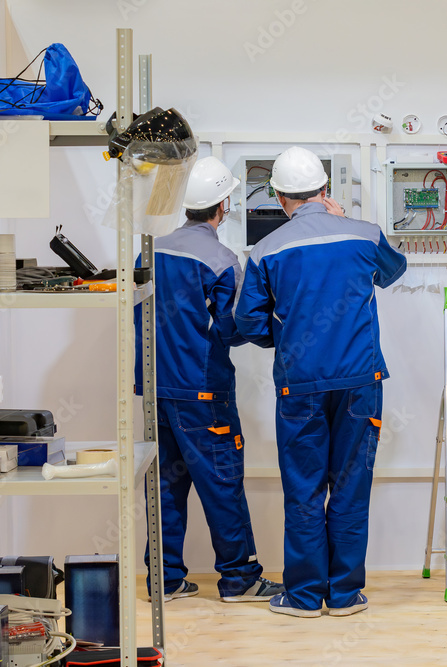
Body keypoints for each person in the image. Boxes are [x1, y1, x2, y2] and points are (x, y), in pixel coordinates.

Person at [235, 146, 407, 618]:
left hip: (300, 385)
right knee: (351, 486)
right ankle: (347, 596)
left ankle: (305, 598)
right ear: (325, 190)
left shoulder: (267, 249)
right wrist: (347, 220)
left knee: (305, 488)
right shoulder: (364, 234)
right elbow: (395, 271)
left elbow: (248, 324)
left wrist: (289, 338)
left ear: (278, 197)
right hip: (360, 382)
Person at [135, 156, 283, 603]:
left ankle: (165, 580)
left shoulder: (150, 249)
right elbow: (232, 327)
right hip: (202, 393)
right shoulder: (220, 260)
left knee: (163, 486)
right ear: (223, 204)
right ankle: (240, 579)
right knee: (221, 483)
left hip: (152, 391)